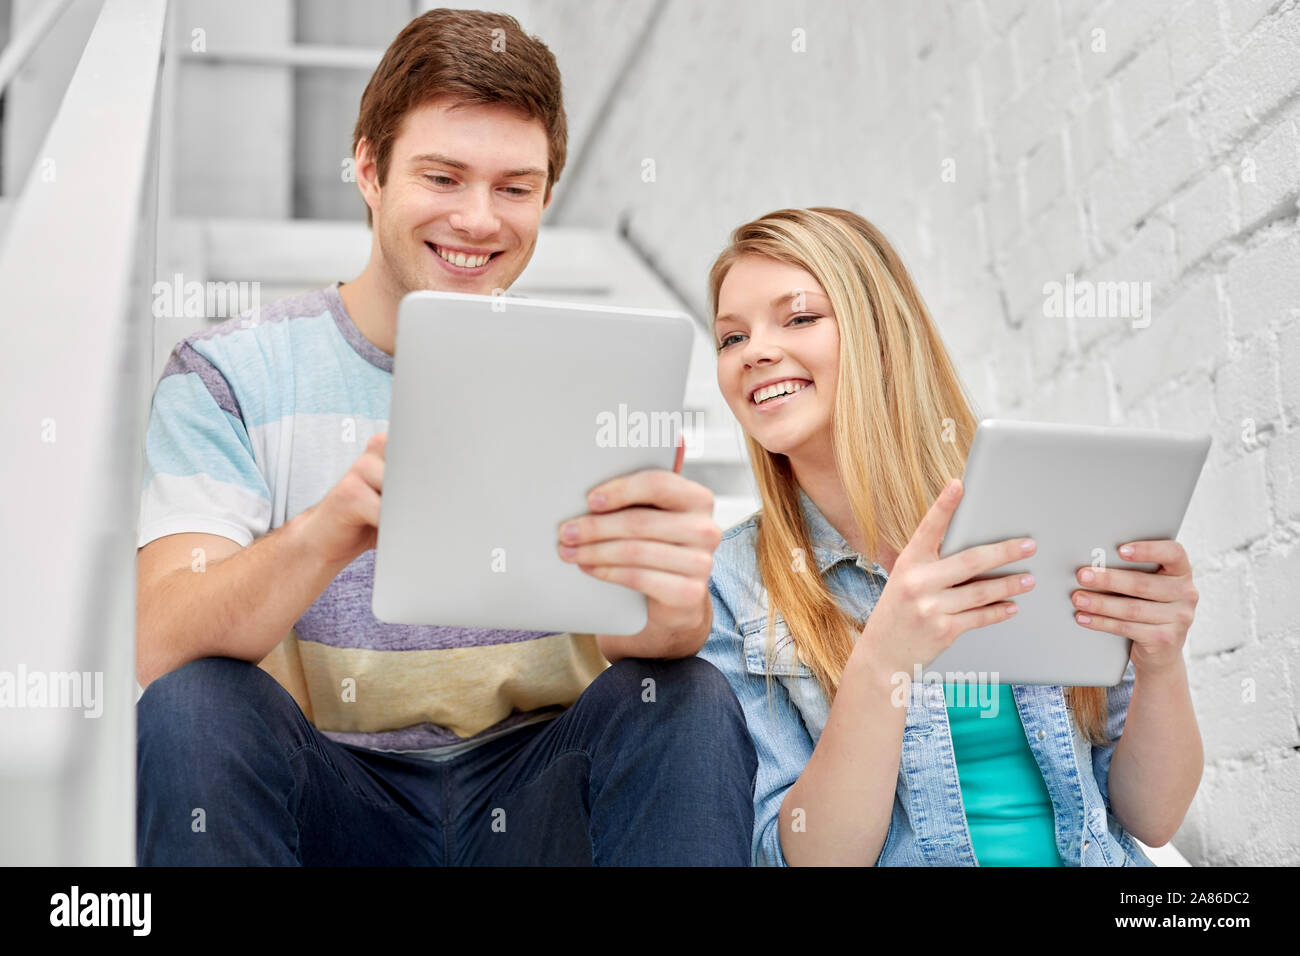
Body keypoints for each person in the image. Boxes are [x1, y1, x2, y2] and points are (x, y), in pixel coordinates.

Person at [134, 8, 755, 866]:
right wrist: (324, 534)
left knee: (683, 695)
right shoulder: (229, 374)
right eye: (443, 177)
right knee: (193, 704)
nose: (478, 220)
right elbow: (163, 637)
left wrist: (674, 605)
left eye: (514, 188)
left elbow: (644, 648)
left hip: (537, 790)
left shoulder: (599, 374)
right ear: (368, 169)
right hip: (334, 793)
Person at [698, 206, 1203, 866]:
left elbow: (1151, 817)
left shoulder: (1030, 511)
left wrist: (1163, 662)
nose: (756, 351)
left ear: (881, 337)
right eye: (731, 338)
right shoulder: (732, 584)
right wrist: (883, 662)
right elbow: (805, 855)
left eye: (798, 317)